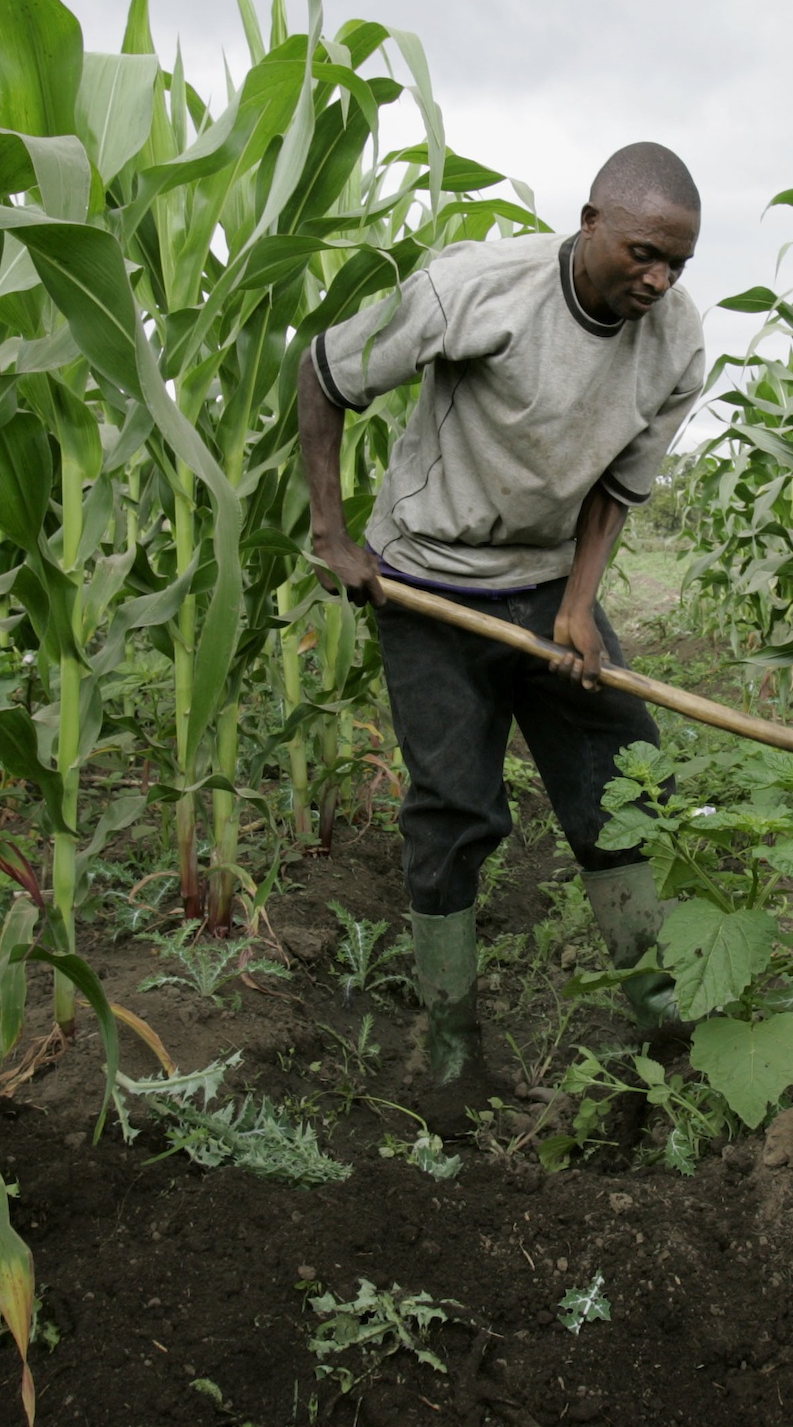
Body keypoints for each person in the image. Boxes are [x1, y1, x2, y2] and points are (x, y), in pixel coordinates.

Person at [296, 142, 705, 1118]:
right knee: (453, 805)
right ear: (590, 221)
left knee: (623, 783)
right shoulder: (474, 292)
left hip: (549, 580)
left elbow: (617, 483)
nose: (657, 279)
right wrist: (331, 533)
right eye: (644, 252)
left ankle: (663, 1040)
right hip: (431, 582)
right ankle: (449, 1056)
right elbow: (321, 373)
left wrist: (577, 601)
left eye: (677, 263)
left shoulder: (677, 343)